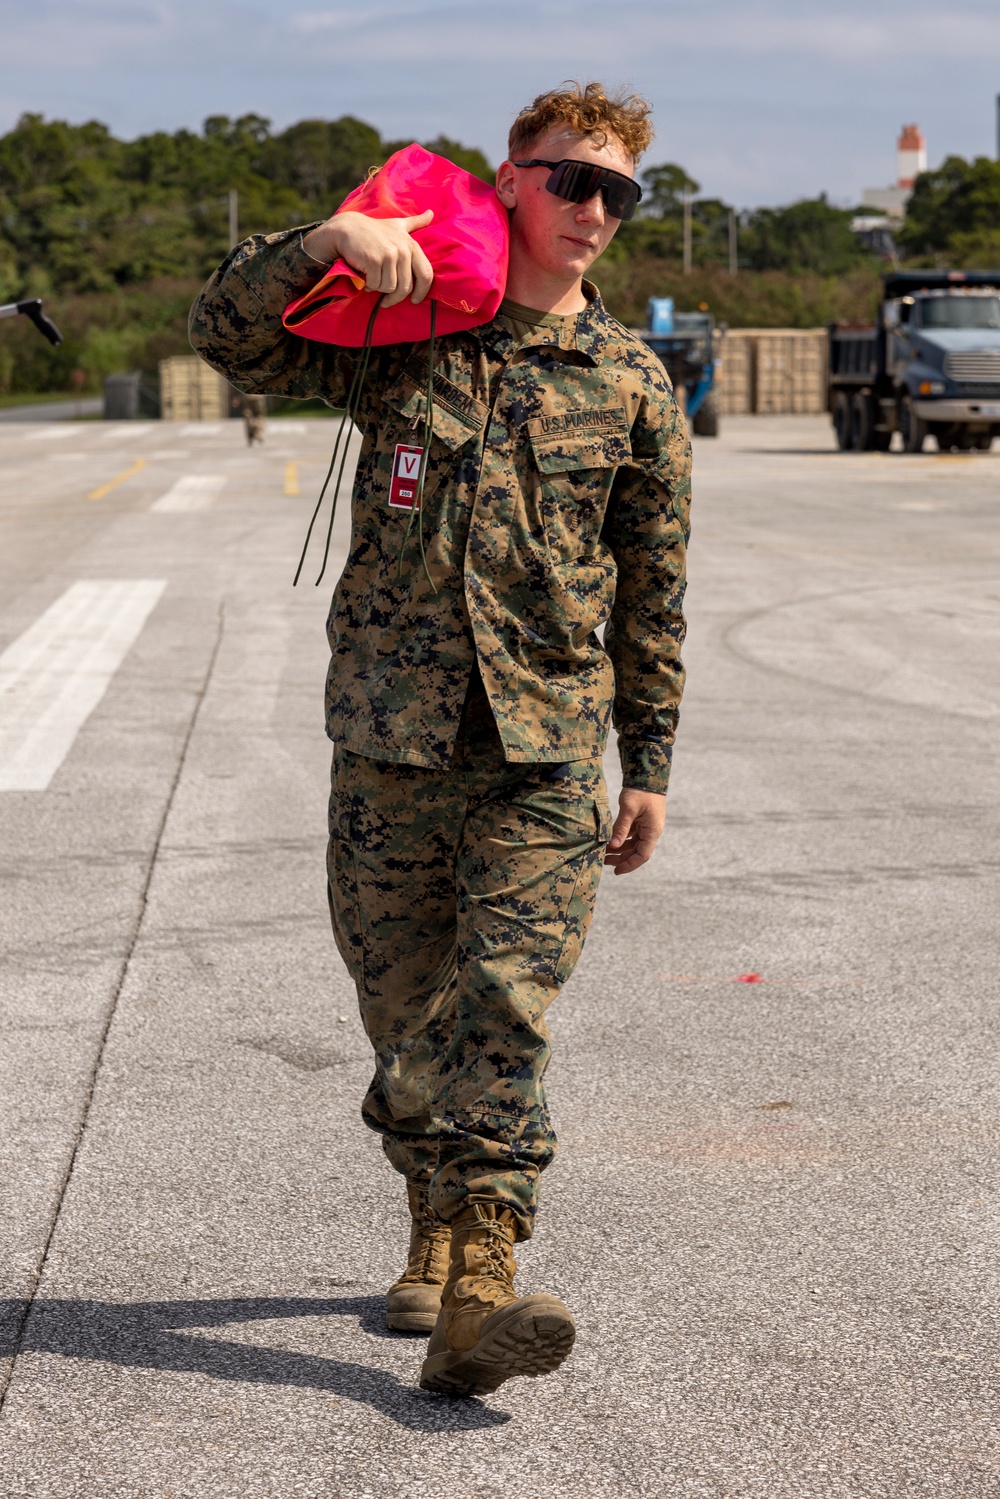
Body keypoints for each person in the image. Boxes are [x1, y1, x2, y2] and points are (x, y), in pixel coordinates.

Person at [189, 80, 691, 1398]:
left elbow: (656, 590)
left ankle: (482, 1288)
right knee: (404, 1018)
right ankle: (431, 1214)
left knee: (507, 1010)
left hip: (543, 756)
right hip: (391, 745)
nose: (597, 211)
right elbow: (228, 339)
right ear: (511, 179)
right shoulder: (410, 329)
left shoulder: (635, 384)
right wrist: (324, 242)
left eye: (621, 193)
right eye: (573, 181)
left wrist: (652, 765)